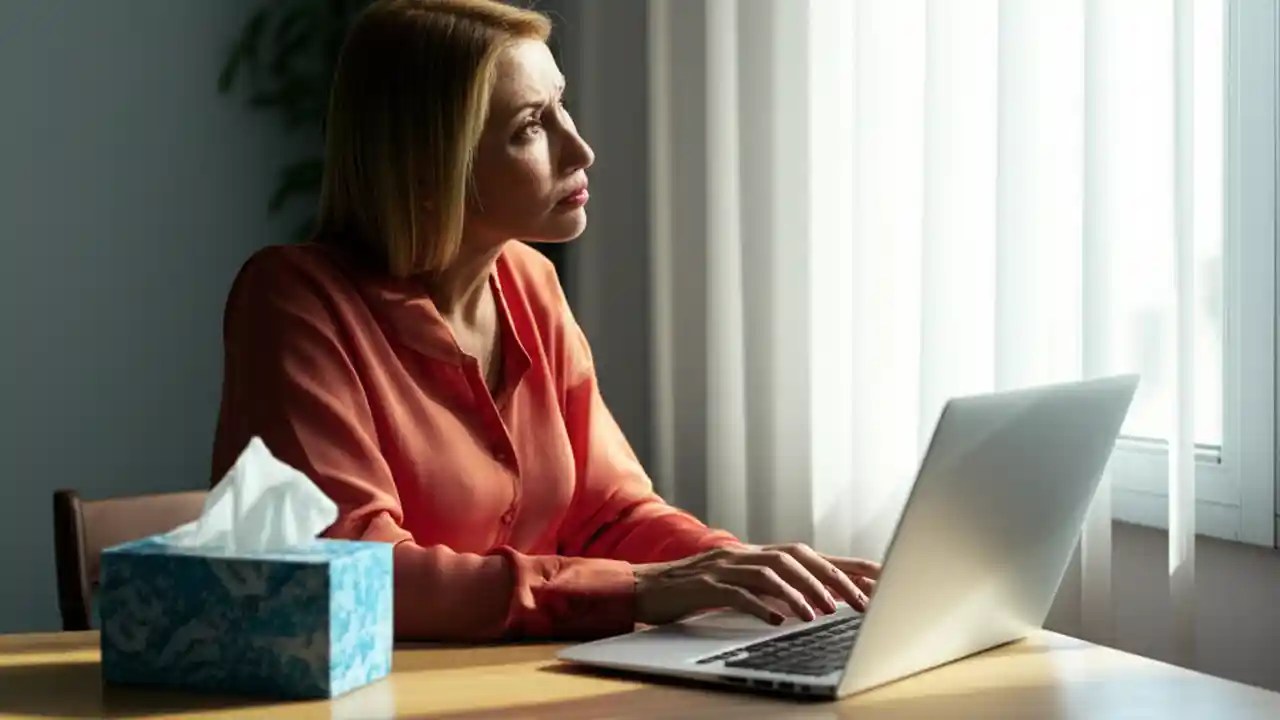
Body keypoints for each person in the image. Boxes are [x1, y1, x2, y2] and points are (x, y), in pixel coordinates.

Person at [210, 0, 880, 642]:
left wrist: (750, 572)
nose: (580, 149)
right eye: (531, 126)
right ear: (428, 166)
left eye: (561, 105)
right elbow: (354, 568)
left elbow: (611, 513)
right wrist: (635, 590)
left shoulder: (529, 283)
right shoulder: (294, 300)